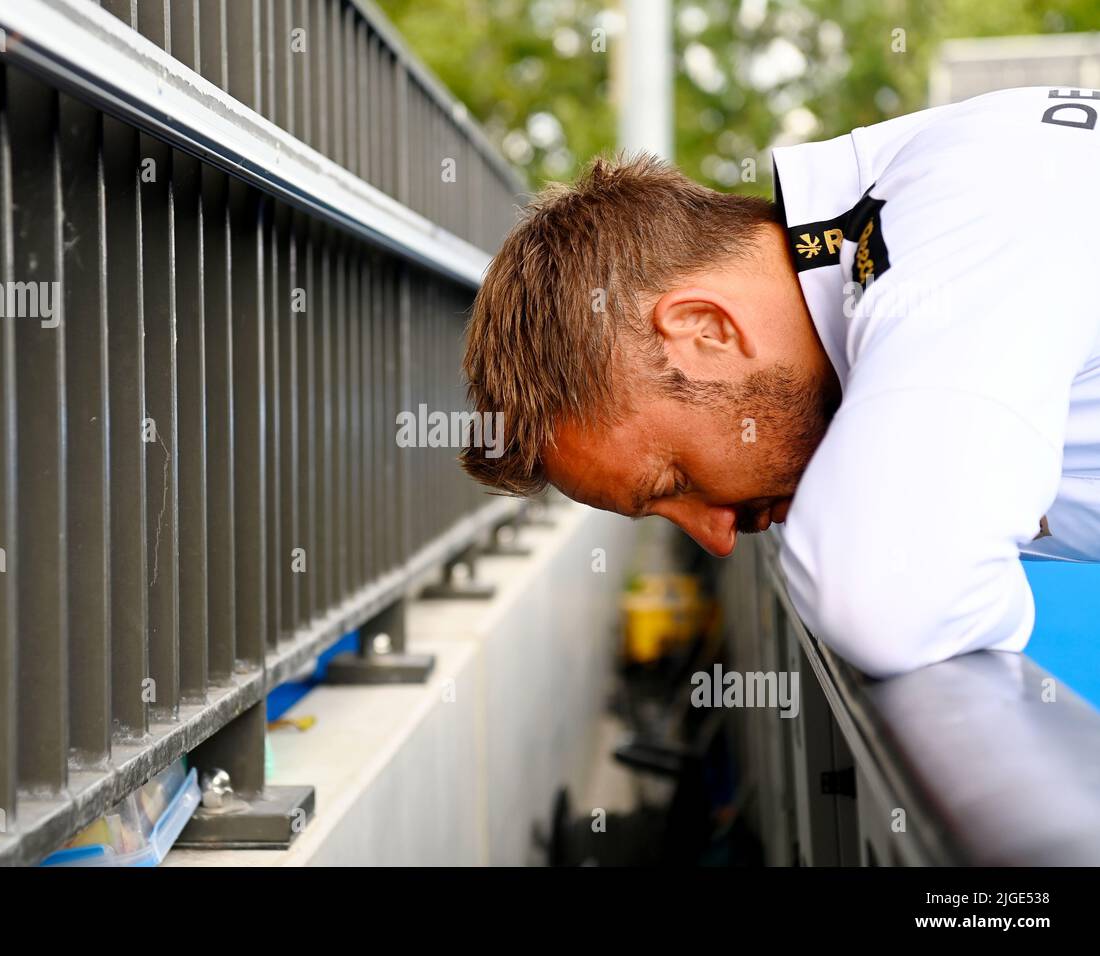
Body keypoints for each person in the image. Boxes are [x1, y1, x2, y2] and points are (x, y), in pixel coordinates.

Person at [459, 86, 1100, 678]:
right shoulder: (905, 224)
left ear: (705, 330)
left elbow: (882, 600)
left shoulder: (960, 210)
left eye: (673, 481)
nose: (717, 538)